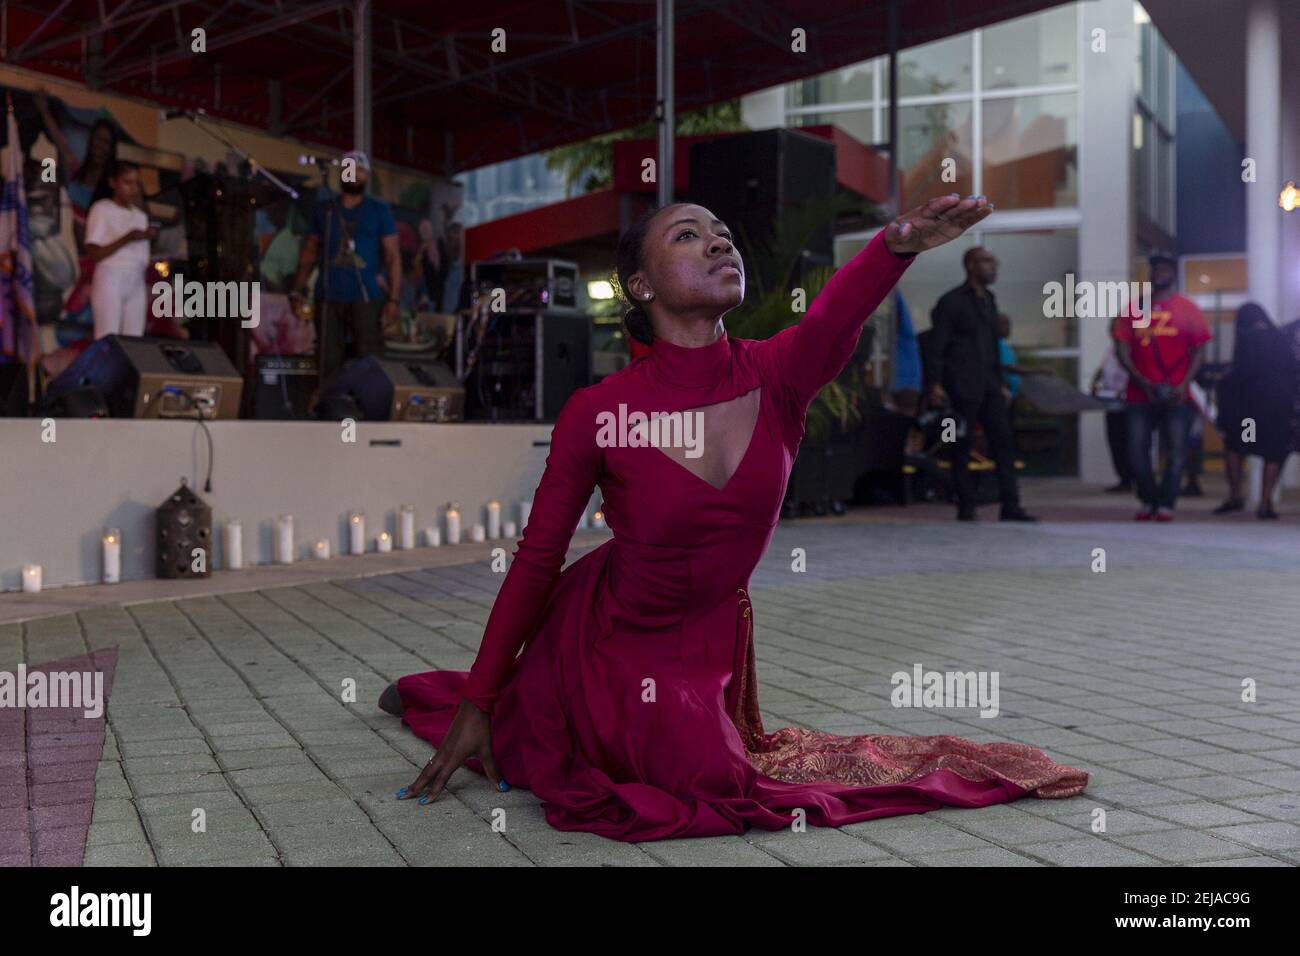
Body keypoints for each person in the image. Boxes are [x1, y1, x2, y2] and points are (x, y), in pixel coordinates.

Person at [380, 196, 1087, 843]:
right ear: (642, 285)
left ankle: (478, 698)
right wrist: (478, 699)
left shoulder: (776, 375)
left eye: (724, 234)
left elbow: (833, 319)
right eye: (689, 236)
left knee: (717, 776)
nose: (720, 244)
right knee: (701, 786)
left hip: (710, 647)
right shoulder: (597, 412)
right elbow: (537, 559)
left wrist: (896, 246)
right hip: (608, 644)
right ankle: (474, 699)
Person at [925, 247, 1036, 522]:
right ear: (970, 265)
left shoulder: (989, 300)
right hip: (960, 386)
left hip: (989, 385)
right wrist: (935, 384)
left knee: (1004, 443)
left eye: (993, 261)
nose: (993, 266)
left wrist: (1000, 384)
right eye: (987, 261)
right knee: (960, 445)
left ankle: (1010, 505)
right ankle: (966, 507)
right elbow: (936, 347)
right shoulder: (950, 302)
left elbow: (993, 347)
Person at [1113, 252, 1211, 521]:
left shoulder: (1188, 309)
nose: (1160, 273)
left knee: (1177, 452)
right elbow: (1121, 347)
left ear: (1174, 274)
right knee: (1136, 451)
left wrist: (1184, 383)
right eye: (1156, 269)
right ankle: (1148, 499)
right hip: (1139, 393)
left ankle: (1166, 504)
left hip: (1178, 394)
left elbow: (1200, 350)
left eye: (1166, 269)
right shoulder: (1135, 309)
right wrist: (1139, 379)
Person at [290, 150, 400, 387]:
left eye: (359, 170)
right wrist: (297, 288)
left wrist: (393, 299)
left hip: (366, 295)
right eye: (348, 169)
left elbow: (393, 256)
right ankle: (329, 411)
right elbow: (310, 250)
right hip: (329, 295)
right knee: (327, 359)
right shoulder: (325, 209)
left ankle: (372, 413)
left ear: (366, 176)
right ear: (341, 174)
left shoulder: (379, 209)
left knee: (369, 358)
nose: (353, 174)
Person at [1213, 303, 1295, 519]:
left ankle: (1235, 496)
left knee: (1238, 446)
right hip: (1277, 408)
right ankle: (1266, 502)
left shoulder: (1247, 337)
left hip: (1248, 412)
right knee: (1274, 451)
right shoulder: (1280, 338)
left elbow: (1242, 373)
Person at [83, 161, 155, 339]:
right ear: (113, 183)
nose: (134, 189)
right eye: (127, 183)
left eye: (137, 183)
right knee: (108, 337)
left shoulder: (140, 216)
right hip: (111, 276)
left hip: (136, 279)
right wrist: (127, 238)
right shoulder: (102, 209)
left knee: (134, 340)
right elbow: (94, 253)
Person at [1089, 322, 1133, 493]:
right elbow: (1102, 370)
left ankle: (1135, 479)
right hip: (1110, 401)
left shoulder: (1132, 349)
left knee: (1131, 442)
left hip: (1129, 403)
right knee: (1115, 441)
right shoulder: (1109, 350)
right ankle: (1124, 479)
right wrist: (1095, 383)